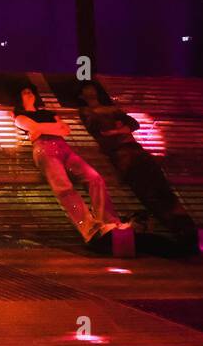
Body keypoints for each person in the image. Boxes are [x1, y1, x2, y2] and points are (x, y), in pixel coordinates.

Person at [76, 80, 198, 245]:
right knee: (149, 194)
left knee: (163, 190)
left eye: (91, 87)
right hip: (121, 155)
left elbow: (133, 124)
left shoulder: (113, 110)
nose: (90, 91)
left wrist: (116, 128)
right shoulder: (87, 112)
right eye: (86, 89)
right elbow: (101, 130)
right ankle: (180, 231)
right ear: (81, 95)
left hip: (136, 151)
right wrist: (118, 125)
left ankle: (189, 230)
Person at [12, 85, 128, 249]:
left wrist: (41, 128)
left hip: (63, 147)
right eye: (24, 92)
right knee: (64, 188)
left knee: (94, 178)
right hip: (44, 149)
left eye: (30, 91)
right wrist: (51, 128)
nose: (28, 93)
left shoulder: (48, 112)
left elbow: (65, 130)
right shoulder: (20, 115)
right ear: (19, 98)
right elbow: (34, 128)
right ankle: (90, 229)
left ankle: (108, 221)